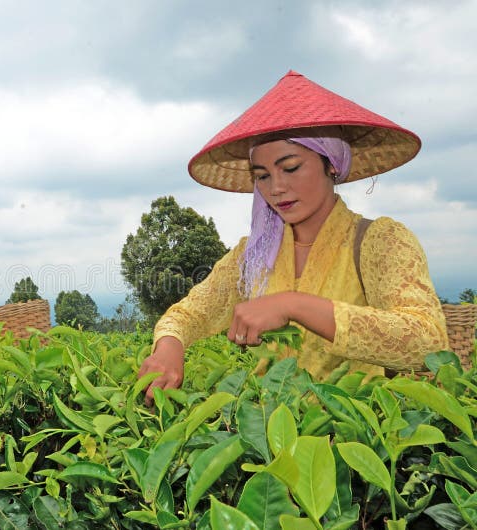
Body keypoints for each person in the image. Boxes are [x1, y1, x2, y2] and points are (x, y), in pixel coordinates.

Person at [138, 70, 448, 401]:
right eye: (262, 176)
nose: (276, 188)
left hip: (355, 425)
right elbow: (189, 314)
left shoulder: (380, 241)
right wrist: (169, 346)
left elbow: (427, 342)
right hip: (265, 423)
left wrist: (293, 305)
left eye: (290, 168)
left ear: (331, 164)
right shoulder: (254, 255)